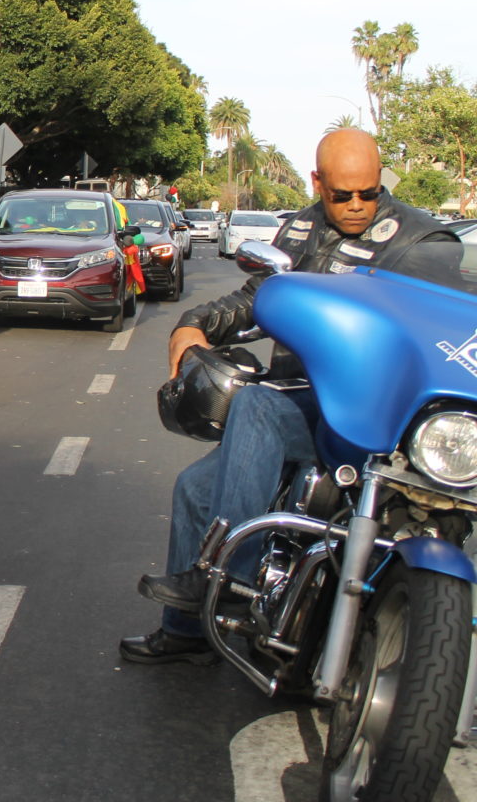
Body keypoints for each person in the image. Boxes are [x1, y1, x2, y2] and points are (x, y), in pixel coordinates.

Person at [120, 129, 458, 664]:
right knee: (192, 488)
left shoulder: (421, 242)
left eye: (367, 193)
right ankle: (187, 629)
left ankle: (227, 577)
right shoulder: (300, 227)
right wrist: (194, 323)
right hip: (309, 400)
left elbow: (445, 331)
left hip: (378, 416)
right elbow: (257, 299)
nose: (355, 205)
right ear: (317, 182)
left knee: (257, 404)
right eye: (340, 194)